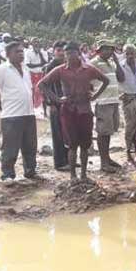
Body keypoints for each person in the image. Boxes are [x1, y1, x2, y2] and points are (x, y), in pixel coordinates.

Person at [39, 42, 108, 182]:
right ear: (65, 55)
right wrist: (57, 99)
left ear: (78, 53)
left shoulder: (88, 69)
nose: (70, 56)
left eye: (73, 53)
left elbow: (105, 81)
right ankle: (72, 175)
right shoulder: (60, 70)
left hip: (85, 109)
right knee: (71, 145)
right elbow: (42, 84)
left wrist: (95, 96)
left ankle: (83, 174)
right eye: (67, 53)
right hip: (68, 109)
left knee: (85, 144)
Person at [0, 42, 38, 182]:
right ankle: (8, 174)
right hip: (11, 115)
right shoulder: (1, 69)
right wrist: (3, 108)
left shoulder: (26, 68)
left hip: (28, 113)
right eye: (17, 51)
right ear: (8, 54)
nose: (21, 54)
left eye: (22, 51)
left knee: (30, 145)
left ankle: (30, 170)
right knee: (10, 146)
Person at [90, 40, 124, 172]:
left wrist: (116, 61)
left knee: (109, 132)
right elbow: (86, 80)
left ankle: (107, 158)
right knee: (102, 132)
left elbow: (121, 78)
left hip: (114, 101)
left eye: (111, 49)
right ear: (100, 50)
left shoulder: (111, 63)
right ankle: (103, 163)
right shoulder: (93, 63)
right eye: (106, 49)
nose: (109, 52)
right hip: (103, 102)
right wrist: (92, 95)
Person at [118, 44, 136, 166]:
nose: (130, 55)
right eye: (127, 53)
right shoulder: (120, 66)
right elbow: (116, 81)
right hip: (127, 100)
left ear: (135, 53)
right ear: (124, 53)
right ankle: (128, 154)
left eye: (132, 53)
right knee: (129, 128)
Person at [43, 41, 70, 171]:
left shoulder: (68, 66)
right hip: (56, 105)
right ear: (53, 51)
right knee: (58, 133)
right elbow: (44, 87)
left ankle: (69, 159)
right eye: (58, 50)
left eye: (63, 50)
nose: (61, 53)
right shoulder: (50, 67)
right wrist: (51, 103)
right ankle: (59, 163)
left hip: (68, 104)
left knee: (68, 133)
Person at [24, 37, 48, 111]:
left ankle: (44, 111)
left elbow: (45, 63)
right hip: (31, 74)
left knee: (43, 92)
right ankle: (32, 109)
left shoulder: (44, 52)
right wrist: (40, 64)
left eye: (37, 42)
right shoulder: (28, 52)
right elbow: (28, 64)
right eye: (34, 42)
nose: (36, 43)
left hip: (41, 74)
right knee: (32, 91)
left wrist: (40, 54)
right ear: (31, 43)